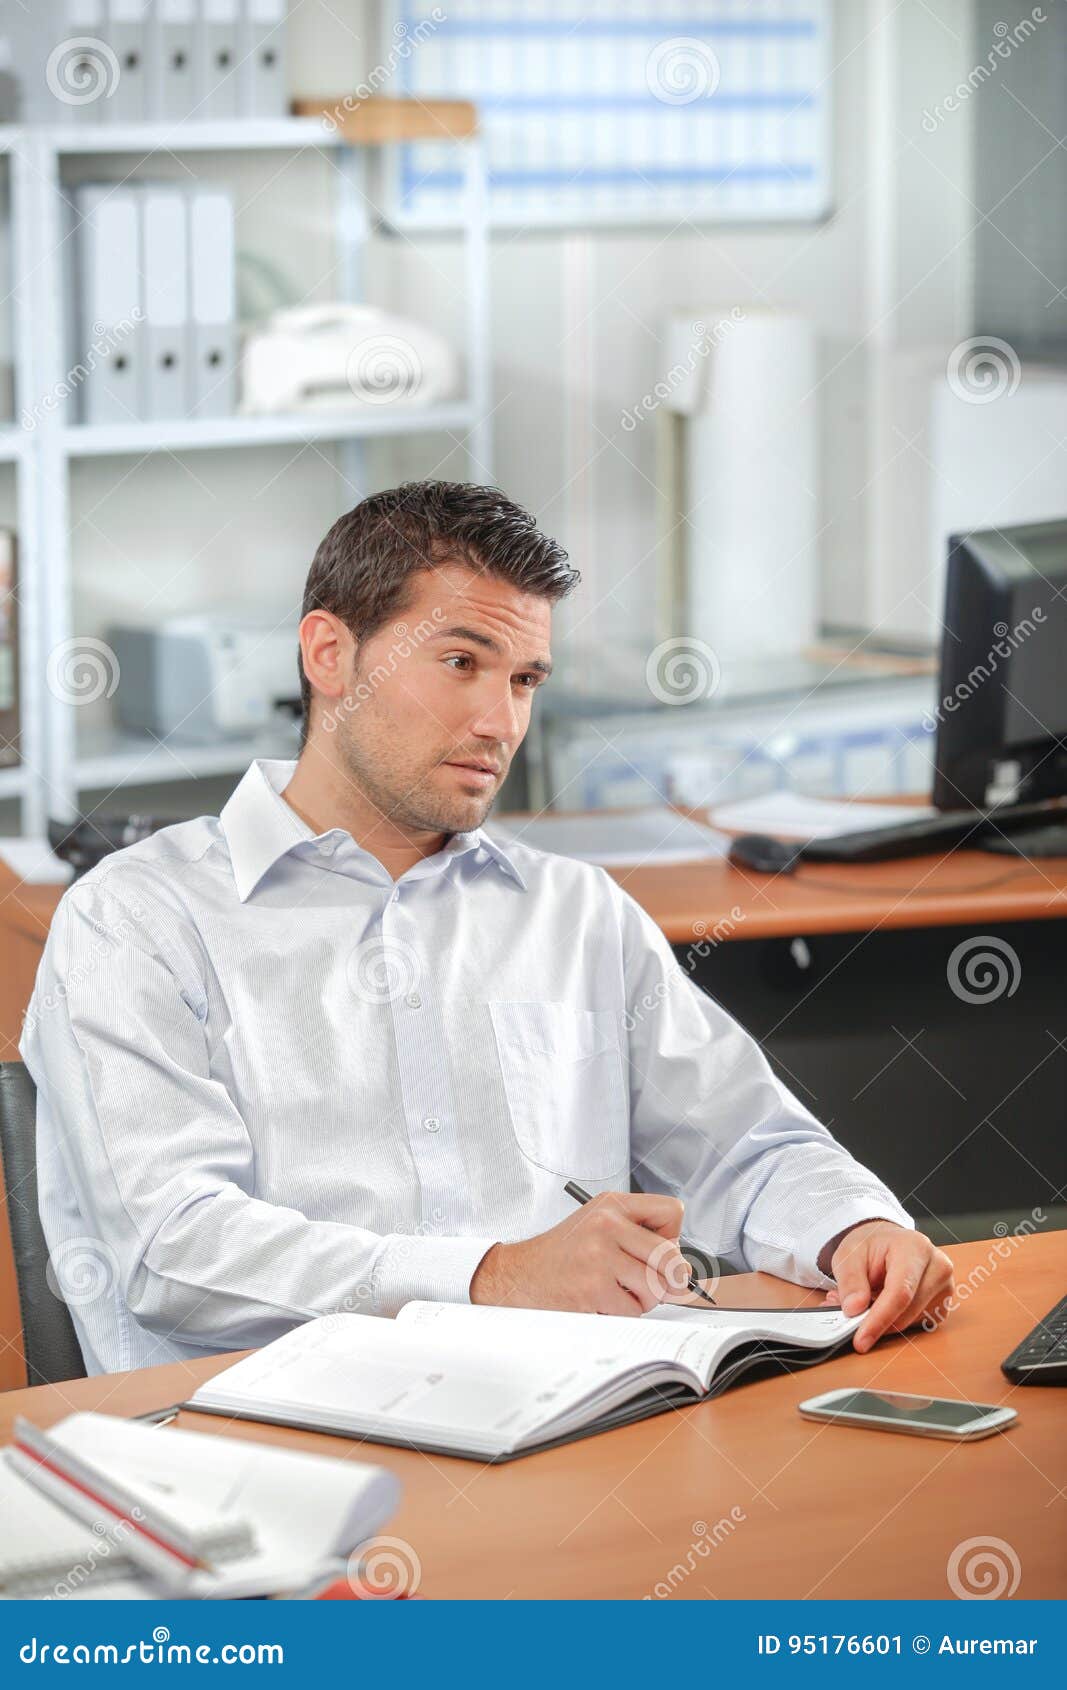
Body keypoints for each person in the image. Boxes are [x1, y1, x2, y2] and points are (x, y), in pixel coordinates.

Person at [22, 481, 952, 1375]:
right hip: (268, 1452)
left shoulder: (574, 912)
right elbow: (169, 1250)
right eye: (460, 663)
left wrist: (852, 1229)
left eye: (524, 679)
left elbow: (747, 1145)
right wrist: (492, 1276)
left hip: (568, 1413)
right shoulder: (134, 920)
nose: (498, 720)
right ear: (329, 653)